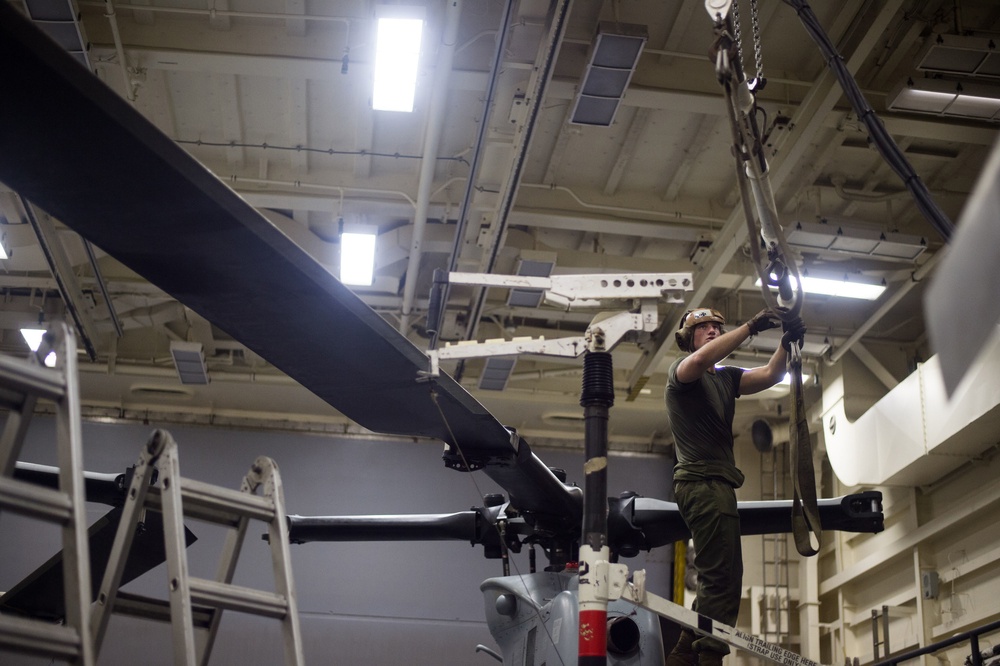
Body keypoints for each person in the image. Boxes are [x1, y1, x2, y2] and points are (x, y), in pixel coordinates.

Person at [664, 307, 804, 666]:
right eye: (703, 327)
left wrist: (787, 342)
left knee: (722, 573)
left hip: (719, 485)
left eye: (715, 326)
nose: (711, 330)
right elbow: (701, 360)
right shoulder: (683, 374)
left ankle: (684, 649)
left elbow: (772, 373)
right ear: (689, 338)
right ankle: (710, 655)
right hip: (700, 483)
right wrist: (751, 327)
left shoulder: (725, 378)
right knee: (721, 577)